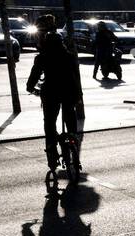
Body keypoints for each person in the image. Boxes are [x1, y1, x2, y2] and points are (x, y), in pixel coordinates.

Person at [27, 14, 84, 172]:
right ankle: (73, 142)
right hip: (69, 91)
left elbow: (34, 76)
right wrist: (78, 95)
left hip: (51, 92)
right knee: (70, 116)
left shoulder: (42, 57)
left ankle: (52, 150)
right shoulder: (69, 56)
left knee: (50, 122)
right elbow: (76, 77)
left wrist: (30, 87)